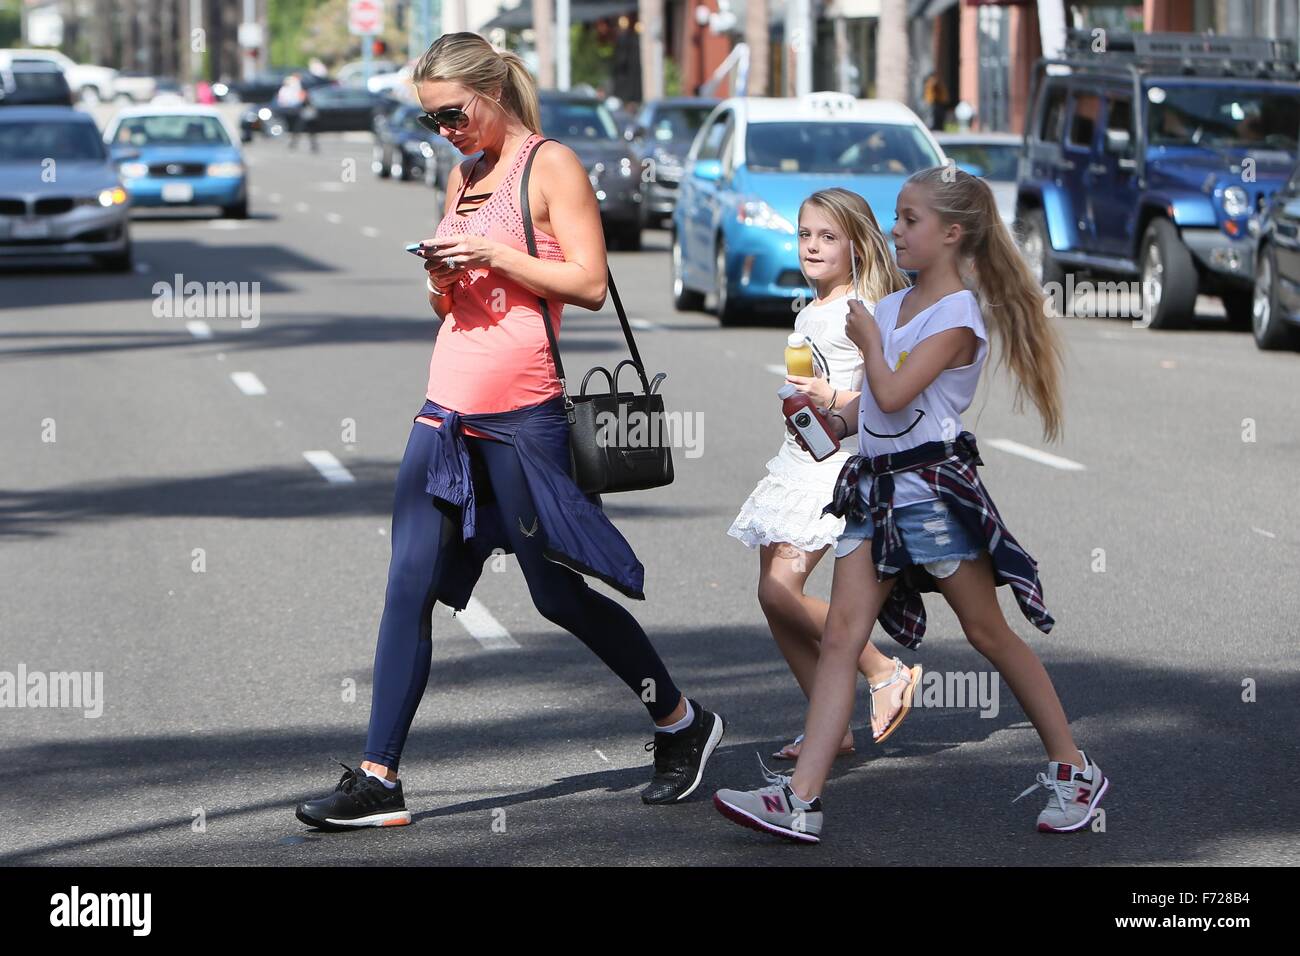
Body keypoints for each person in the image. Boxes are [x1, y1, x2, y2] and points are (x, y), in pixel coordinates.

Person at [295, 33, 724, 831]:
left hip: (523, 416)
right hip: (444, 408)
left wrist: (492, 250)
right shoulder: (463, 175)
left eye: (453, 113)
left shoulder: (549, 164)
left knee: (556, 594)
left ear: (491, 93)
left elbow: (590, 284)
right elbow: (446, 304)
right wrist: (443, 276)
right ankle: (379, 778)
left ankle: (681, 721)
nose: (446, 131)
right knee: (406, 587)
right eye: (430, 120)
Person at [713, 165, 1108, 843]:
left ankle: (1073, 768)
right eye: (895, 217)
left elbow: (897, 394)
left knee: (987, 633)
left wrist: (869, 350)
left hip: (934, 494)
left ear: (952, 233)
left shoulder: (958, 318)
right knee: (840, 637)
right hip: (872, 489)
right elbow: (875, 408)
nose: (895, 230)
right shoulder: (892, 307)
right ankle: (800, 799)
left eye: (910, 219)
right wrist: (830, 423)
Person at [727, 187, 916, 760]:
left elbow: (890, 393)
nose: (812, 245)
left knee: (782, 588)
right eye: (805, 234)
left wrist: (830, 398)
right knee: (771, 595)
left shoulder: (863, 309)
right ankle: (829, 726)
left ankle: (884, 670)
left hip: (831, 468)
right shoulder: (811, 309)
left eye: (828, 237)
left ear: (856, 246)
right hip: (796, 458)